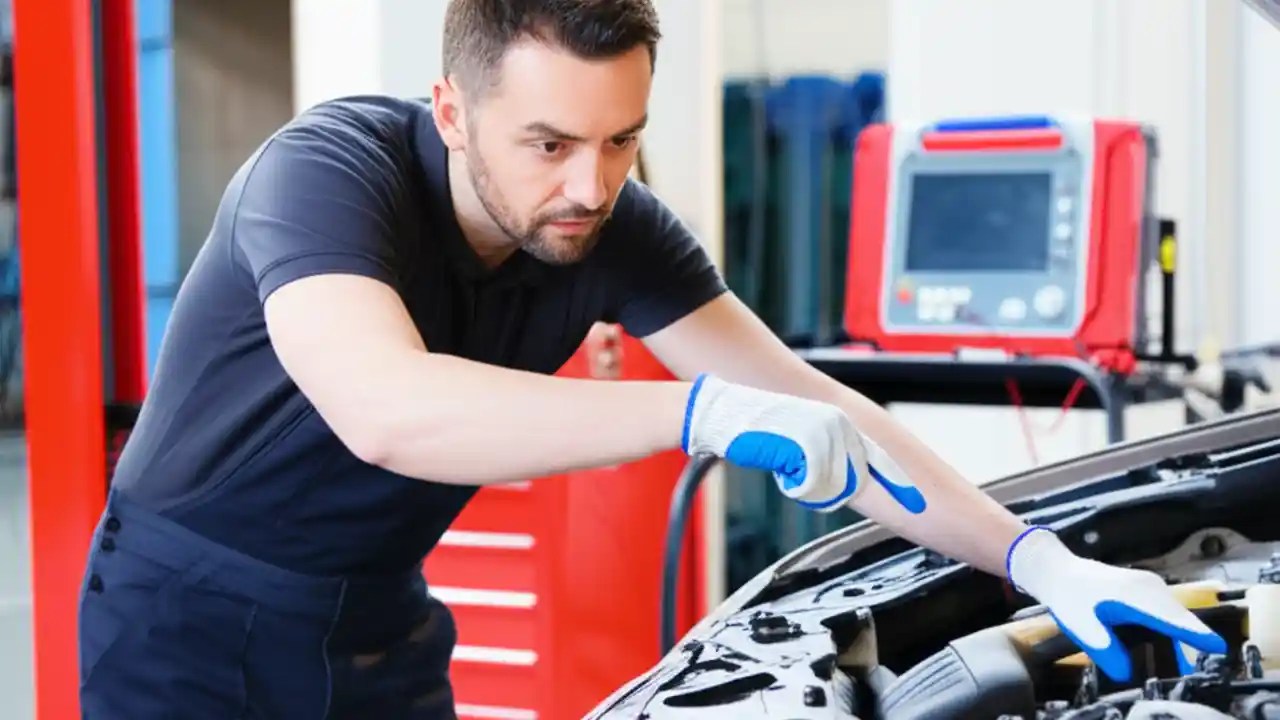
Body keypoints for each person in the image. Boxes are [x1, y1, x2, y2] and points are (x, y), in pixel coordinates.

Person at [77, 0, 1226, 717]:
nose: (589, 184)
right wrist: (694, 414)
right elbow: (382, 409)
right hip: (190, 613)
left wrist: (1041, 563)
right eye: (549, 143)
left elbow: (819, 408)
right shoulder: (325, 173)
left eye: (621, 138)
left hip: (380, 618)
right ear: (450, 111)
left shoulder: (612, 223)